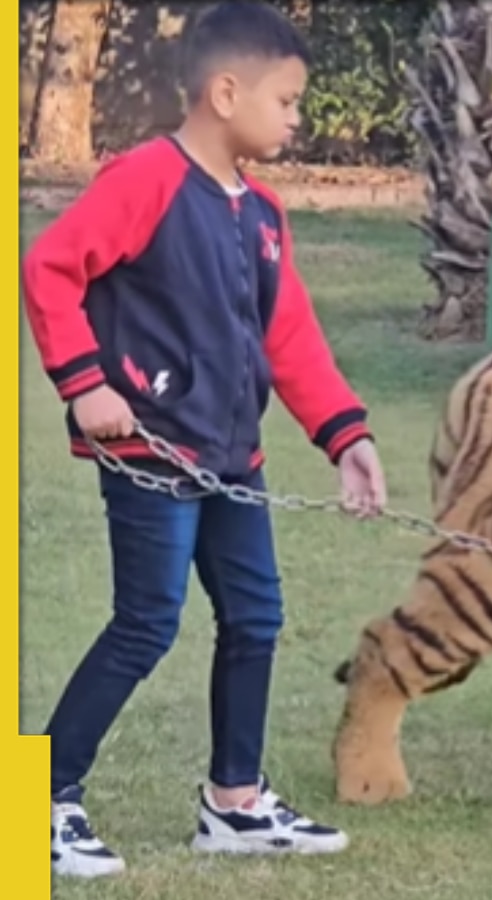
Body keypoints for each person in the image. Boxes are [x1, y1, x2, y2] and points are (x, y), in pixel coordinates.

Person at [20, 1, 388, 879]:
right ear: (227, 92)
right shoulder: (145, 180)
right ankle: (35, 800)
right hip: (150, 452)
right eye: (289, 101)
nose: (298, 120)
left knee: (256, 617)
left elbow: (288, 336)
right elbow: (50, 270)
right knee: (146, 625)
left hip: (234, 464)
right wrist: (87, 386)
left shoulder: (261, 212)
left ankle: (235, 803)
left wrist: (347, 438)